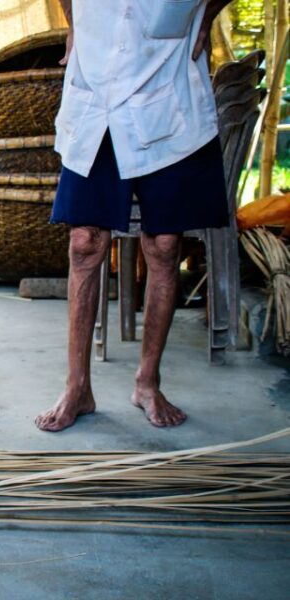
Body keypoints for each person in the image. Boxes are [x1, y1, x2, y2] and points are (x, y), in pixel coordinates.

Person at [36, 0, 233, 432]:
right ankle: (77, 387)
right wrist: (73, 23)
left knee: (164, 246)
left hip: (169, 80)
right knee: (85, 241)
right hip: (96, 86)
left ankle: (148, 381)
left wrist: (210, 11)